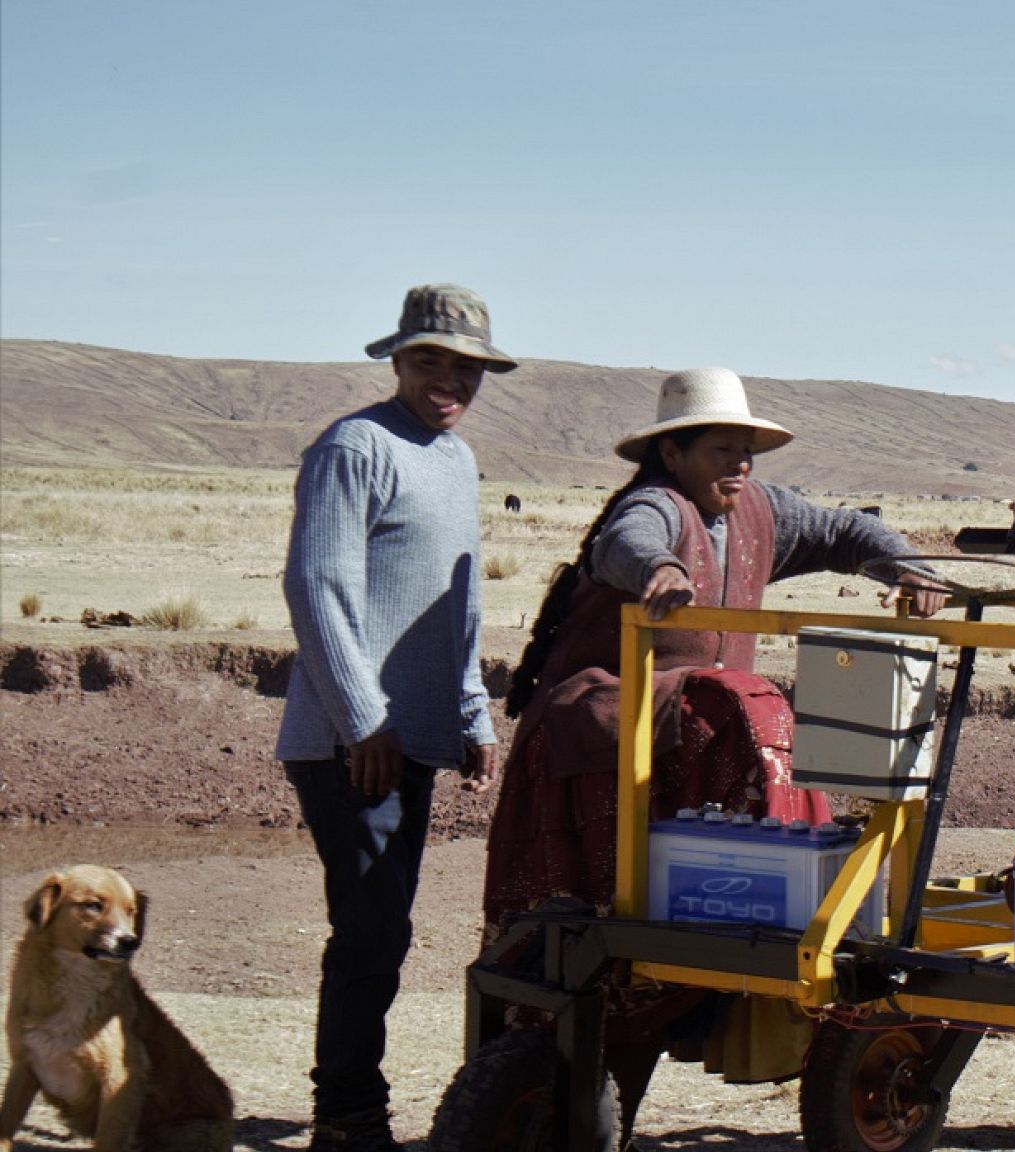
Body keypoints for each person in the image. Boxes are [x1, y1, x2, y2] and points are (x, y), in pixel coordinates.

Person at [483, 365, 944, 927]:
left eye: (747, 451)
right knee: (746, 707)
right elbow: (627, 542)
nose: (741, 464)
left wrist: (908, 569)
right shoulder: (656, 503)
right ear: (673, 456)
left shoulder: (761, 509)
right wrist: (659, 567)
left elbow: (846, 532)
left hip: (689, 722)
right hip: (601, 724)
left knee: (737, 714)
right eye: (724, 449)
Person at [276, 283, 513, 1151]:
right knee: (371, 928)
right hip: (354, 741)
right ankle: (346, 1115)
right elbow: (316, 585)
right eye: (429, 362)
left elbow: (459, 602)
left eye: (465, 367)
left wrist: (471, 712)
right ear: (397, 361)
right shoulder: (356, 446)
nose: (448, 380)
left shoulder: (455, 460)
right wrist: (362, 720)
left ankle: (351, 1104)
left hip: (407, 735)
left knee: (386, 924)